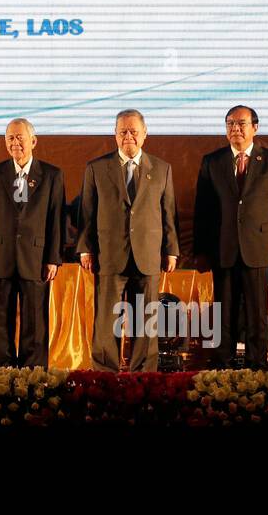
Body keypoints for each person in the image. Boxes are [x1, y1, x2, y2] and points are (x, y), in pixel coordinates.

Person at [77, 109, 178, 372]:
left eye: (133, 131)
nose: (128, 136)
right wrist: (85, 249)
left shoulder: (162, 169)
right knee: (106, 319)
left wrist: (172, 250)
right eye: (123, 131)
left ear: (145, 134)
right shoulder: (96, 168)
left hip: (148, 254)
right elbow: (87, 213)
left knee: (146, 321)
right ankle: (105, 374)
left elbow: (168, 214)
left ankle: (143, 374)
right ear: (115, 135)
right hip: (109, 255)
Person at [193, 105, 268, 369]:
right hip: (222, 248)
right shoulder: (212, 161)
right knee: (223, 310)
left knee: (257, 311)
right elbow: (203, 210)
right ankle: (221, 363)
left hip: (258, 248)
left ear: (255, 128)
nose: (235, 129)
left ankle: (257, 363)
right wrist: (200, 251)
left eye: (241, 124)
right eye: (230, 124)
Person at [0, 118, 63, 367]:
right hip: (0, 257)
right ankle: (2, 373)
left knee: (35, 322)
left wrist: (53, 258)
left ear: (33, 141)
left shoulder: (51, 175)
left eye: (20, 138)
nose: (15, 143)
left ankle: (32, 374)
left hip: (36, 259)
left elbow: (56, 219)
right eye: (10, 139)